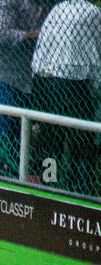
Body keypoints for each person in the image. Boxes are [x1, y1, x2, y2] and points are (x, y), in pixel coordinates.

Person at [29, 0, 101, 195]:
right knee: (82, 141)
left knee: (50, 140)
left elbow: (41, 51)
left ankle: (48, 186)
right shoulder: (93, 12)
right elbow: (95, 55)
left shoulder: (58, 8)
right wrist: (94, 88)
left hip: (46, 81)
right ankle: (82, 190)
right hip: (73, 83)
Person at [0, 0, 47, 177]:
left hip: (25, 77)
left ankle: (16, 175)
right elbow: (1, 33)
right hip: (2, 74)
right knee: (0, 131)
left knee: (19, 132)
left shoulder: (43, 4)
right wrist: (32, 35)